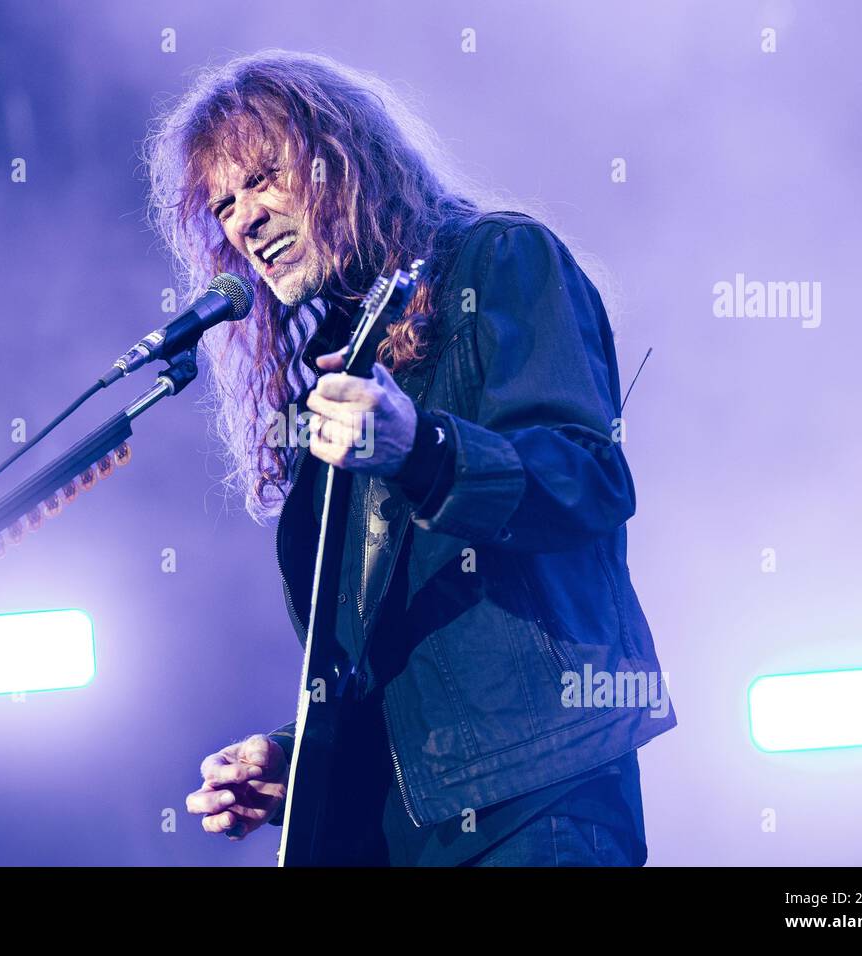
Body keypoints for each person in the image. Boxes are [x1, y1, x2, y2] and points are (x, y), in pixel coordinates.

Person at [145, 49, 677, 866]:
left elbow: (586, 478)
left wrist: (421, 447)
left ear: (343, 160)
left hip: (533, 802)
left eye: (262, 178)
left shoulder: (502, 259)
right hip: (400, 836)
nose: (243, 219)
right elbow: (391, 652)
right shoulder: (334, 362)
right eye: (221, 202)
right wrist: (303, 756)